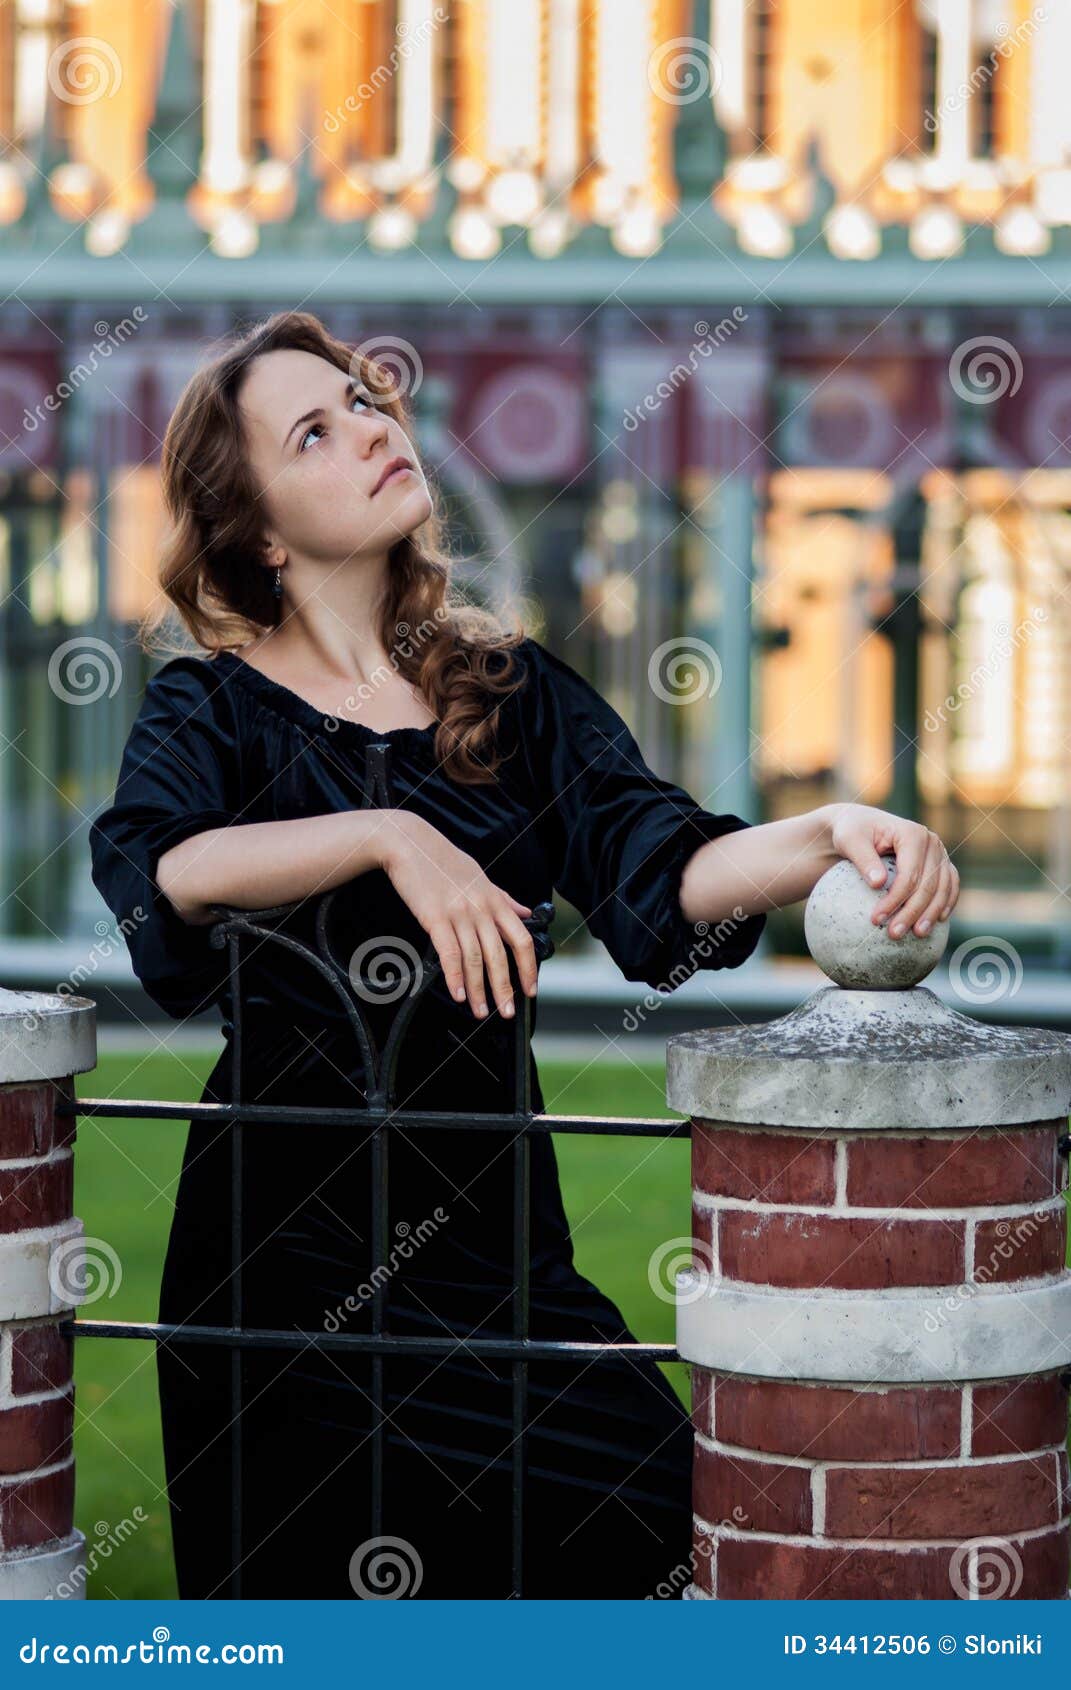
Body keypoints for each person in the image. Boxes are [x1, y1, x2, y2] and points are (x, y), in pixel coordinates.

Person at [88, 310, 960, 1600]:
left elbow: (655, 869)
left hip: (495, 1250)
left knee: (670, 1533)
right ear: (260, 530)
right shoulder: (207, 704)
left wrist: (825, 831)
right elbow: (164, 869)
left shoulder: (509, 689)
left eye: (363, 400)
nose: (372, 428)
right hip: (280, 1264)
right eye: (313, 431)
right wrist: (387, 835)